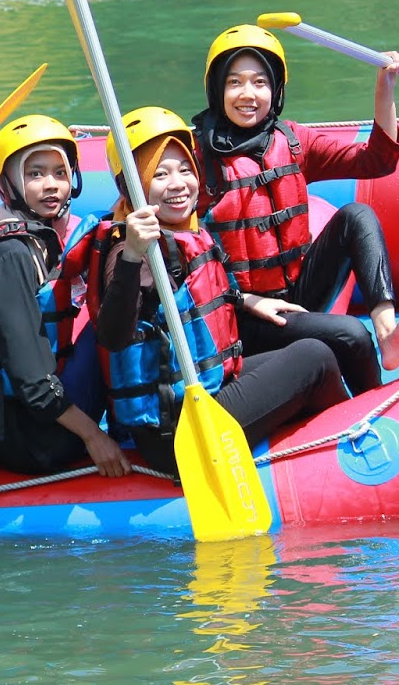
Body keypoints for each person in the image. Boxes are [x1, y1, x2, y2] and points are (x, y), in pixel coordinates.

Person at [92, 107, 348, 471]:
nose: (178, 184)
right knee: (314, 358)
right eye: (160, 174)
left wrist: (247, 300)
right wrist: (133, 255)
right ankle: (349, 449)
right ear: (131, 186)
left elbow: (200, 293)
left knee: (315, 351)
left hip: (213, 386)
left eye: (185, 169)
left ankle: (325, 442)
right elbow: (114, 335)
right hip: (178, 428)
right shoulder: (131, 251)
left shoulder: (183, 230)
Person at [192, 24, 399, 392]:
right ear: (216, 89)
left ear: (276, 89)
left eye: (260, 82)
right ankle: (368, 409)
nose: (247, 94)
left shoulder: (292, 140)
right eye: (234, 82)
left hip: (298, 294)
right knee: (351, 334)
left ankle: (387, 333)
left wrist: (385, 87)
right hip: (241, 313)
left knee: (357, 216)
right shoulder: (195, 158)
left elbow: (377, 161)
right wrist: (245, 300)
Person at [0, 115, 126, 477]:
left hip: (32, 421)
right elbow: (32, 381)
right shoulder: (9, 257)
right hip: (33, 438)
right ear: (7, 186)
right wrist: (94, 437)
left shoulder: (32, 241)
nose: (51, 185)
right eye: (35, 174)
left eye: (60, 173)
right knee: (115, 323)